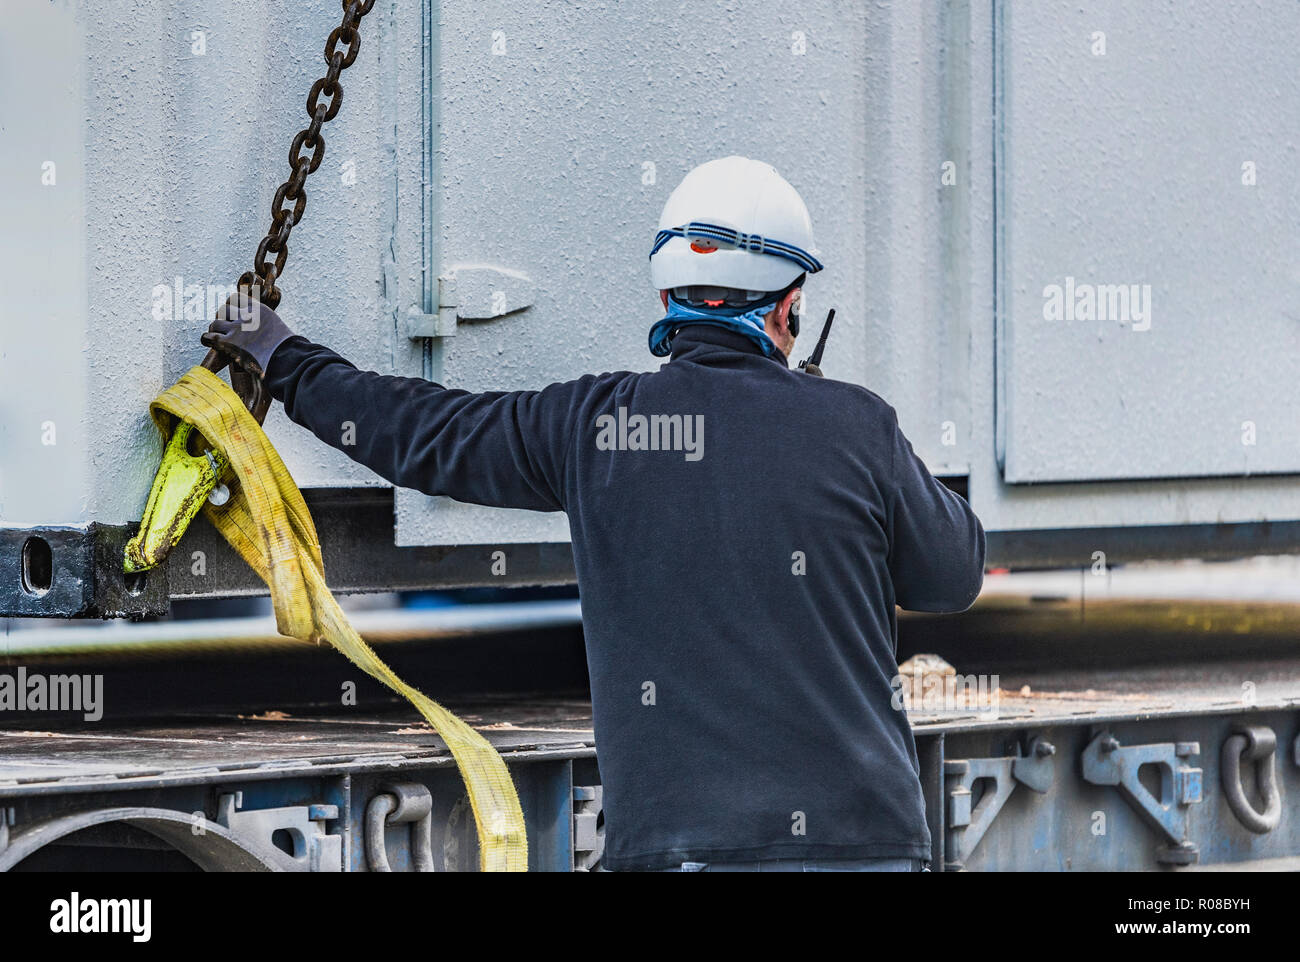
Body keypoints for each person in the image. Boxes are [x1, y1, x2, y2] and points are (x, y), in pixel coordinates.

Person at [204, 155, 986, 872]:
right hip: (862, 848)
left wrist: (281, 355)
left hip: (675, 852)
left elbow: (422, 435)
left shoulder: (597, 427)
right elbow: (953, 576)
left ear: (667, 298)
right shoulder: (856, 425)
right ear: (791, 306)